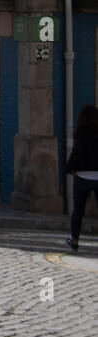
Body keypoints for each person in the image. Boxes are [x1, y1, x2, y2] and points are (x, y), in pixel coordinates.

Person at [64, 105, 98, 253]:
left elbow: (76, 152)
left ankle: (75, 240)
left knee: (78, 210)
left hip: (83, 176)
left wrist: (70, 169)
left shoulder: (81, 133)